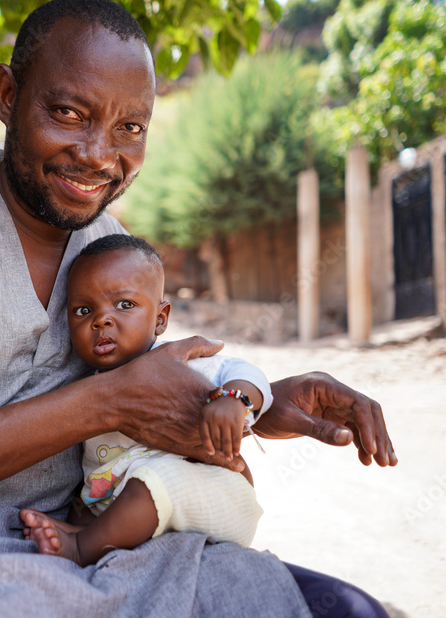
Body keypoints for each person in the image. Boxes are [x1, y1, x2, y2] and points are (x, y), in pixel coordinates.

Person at [0, 0, 397, 617]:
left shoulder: (110, 246)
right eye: (68, 113)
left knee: (338, 608)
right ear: (7, 96)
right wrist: (102, 402)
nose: (98, 154)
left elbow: (152, 394)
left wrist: (259, 402)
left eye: (129, 127)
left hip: (83, 547)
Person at [21, 234, 271, 566]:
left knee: (152, 482)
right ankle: (84, 532)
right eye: (83, 310)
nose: (102, 320)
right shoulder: (87, 388)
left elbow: (244, 371)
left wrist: (233, 398)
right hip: (139, 511)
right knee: (97, 498)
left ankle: (80, 548)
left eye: (124, 305)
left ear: (161, 318)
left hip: (217, 499)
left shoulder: (181, 365)